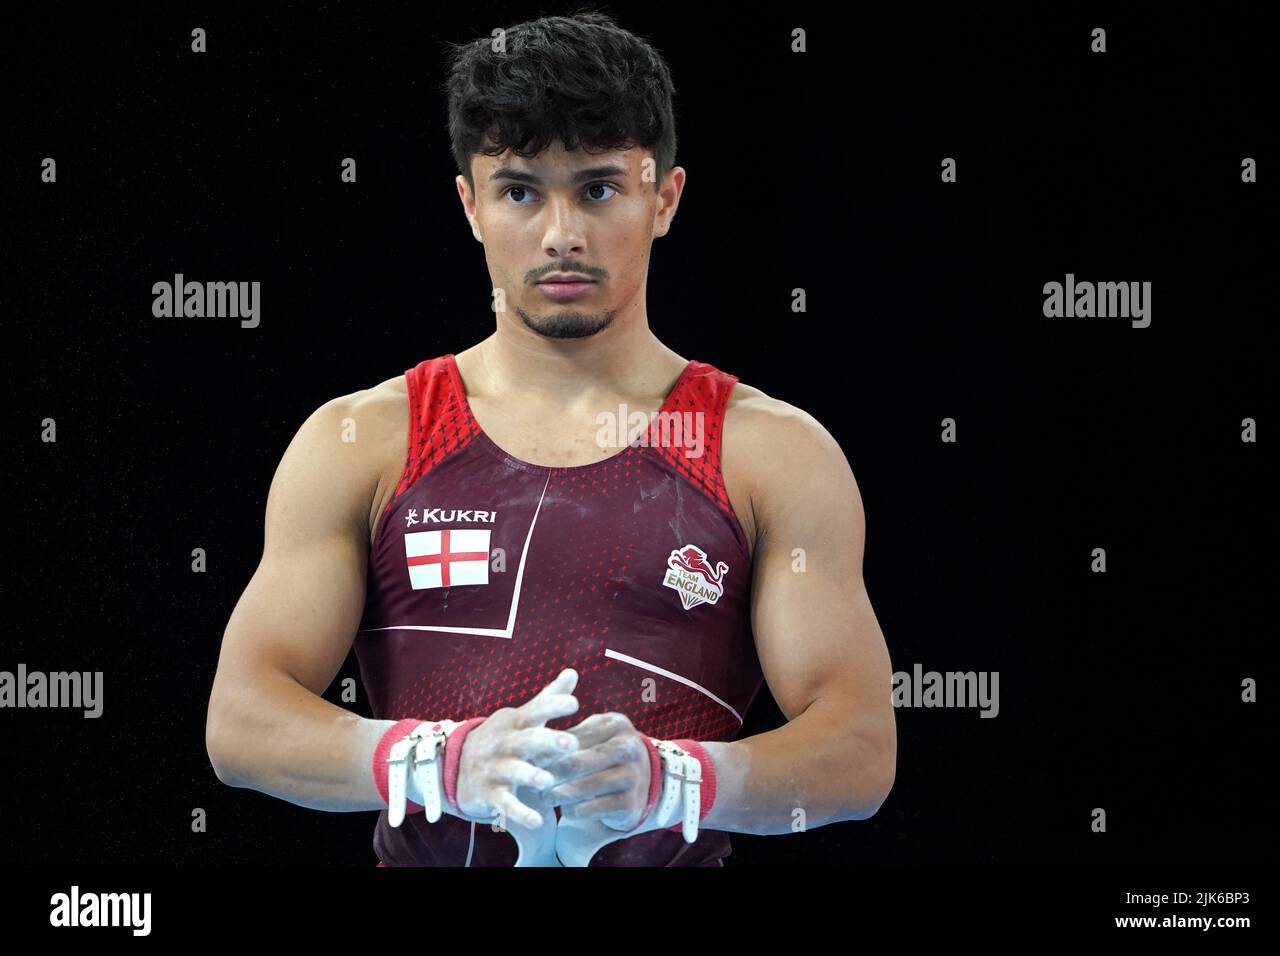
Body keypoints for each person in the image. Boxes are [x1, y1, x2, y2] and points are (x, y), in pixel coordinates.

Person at [205, 11, 895, 866]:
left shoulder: (769, 452)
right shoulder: (365, 442)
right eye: (521, 190)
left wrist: (677, 782)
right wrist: (439, 765)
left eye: (599, 188)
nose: (561, 233)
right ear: (471, 205)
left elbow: (860, 748)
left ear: (664, 198)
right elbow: (240, 719)